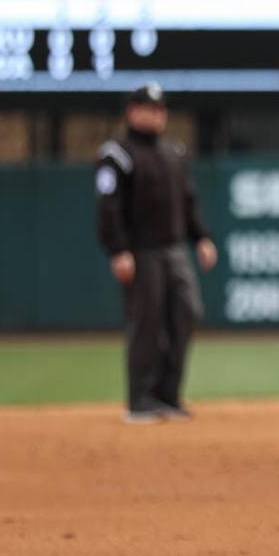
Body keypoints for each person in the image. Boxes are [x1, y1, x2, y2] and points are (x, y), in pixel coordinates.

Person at [94, 82, 218, 423]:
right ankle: (140, 400)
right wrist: (118, 249)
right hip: (141, 251)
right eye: (150, 108)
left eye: (161, 109)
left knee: (187, 312)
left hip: (173, 248)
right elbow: (108, 207)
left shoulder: (173, 152)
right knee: (146, 323)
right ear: (133, 112)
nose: (157, 114)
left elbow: (187, 201)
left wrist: (201, 238)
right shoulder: (116, 154)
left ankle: (166, 394)